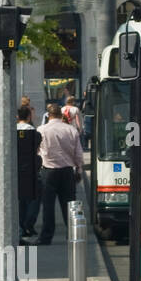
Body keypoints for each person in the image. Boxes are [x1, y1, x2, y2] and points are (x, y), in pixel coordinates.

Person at [32, 103, 84, 246]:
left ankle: (46, 236)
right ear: (61, 116)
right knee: (69, 205)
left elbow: (36, 151)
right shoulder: (71, 130)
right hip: (67, 171)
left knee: (48, 206)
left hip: (48, 171)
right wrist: (79, 170)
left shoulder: (41, 130)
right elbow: (78, 154)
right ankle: (72, 235)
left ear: (48, 115)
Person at [16, 106, 43, 241]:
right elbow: (37, 147)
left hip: (16, 169)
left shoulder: (11, 131)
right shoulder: (34, 133)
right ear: (28, 117)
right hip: (31, 168)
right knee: (33, 198)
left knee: (19, 199)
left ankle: (20, 225)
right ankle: (29, 224)